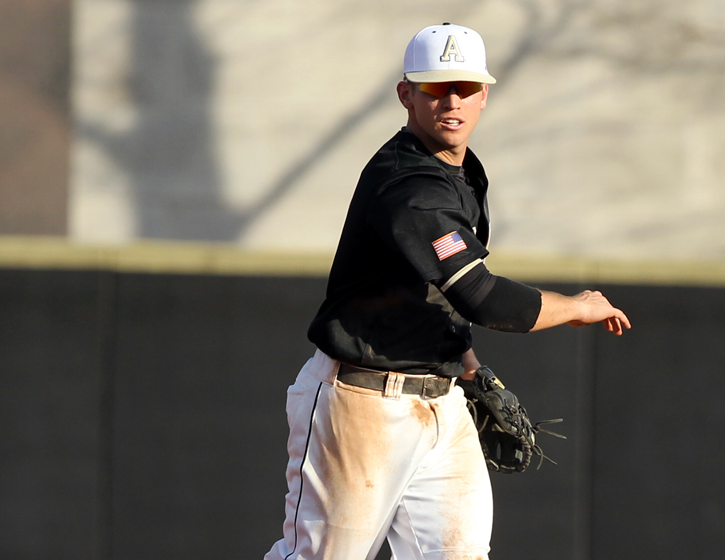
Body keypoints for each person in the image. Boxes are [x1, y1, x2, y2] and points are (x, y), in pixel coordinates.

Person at [263, 23, 630, 560]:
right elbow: (481, 296)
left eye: (465, 87)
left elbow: (431, 294)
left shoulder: (458, 171)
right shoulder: (410, 186)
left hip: (440, 401)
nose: (451, 101)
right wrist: (576, 306)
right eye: (436, 88)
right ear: (406, 94)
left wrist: (468, 363)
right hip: (363, 402)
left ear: (485, 95)